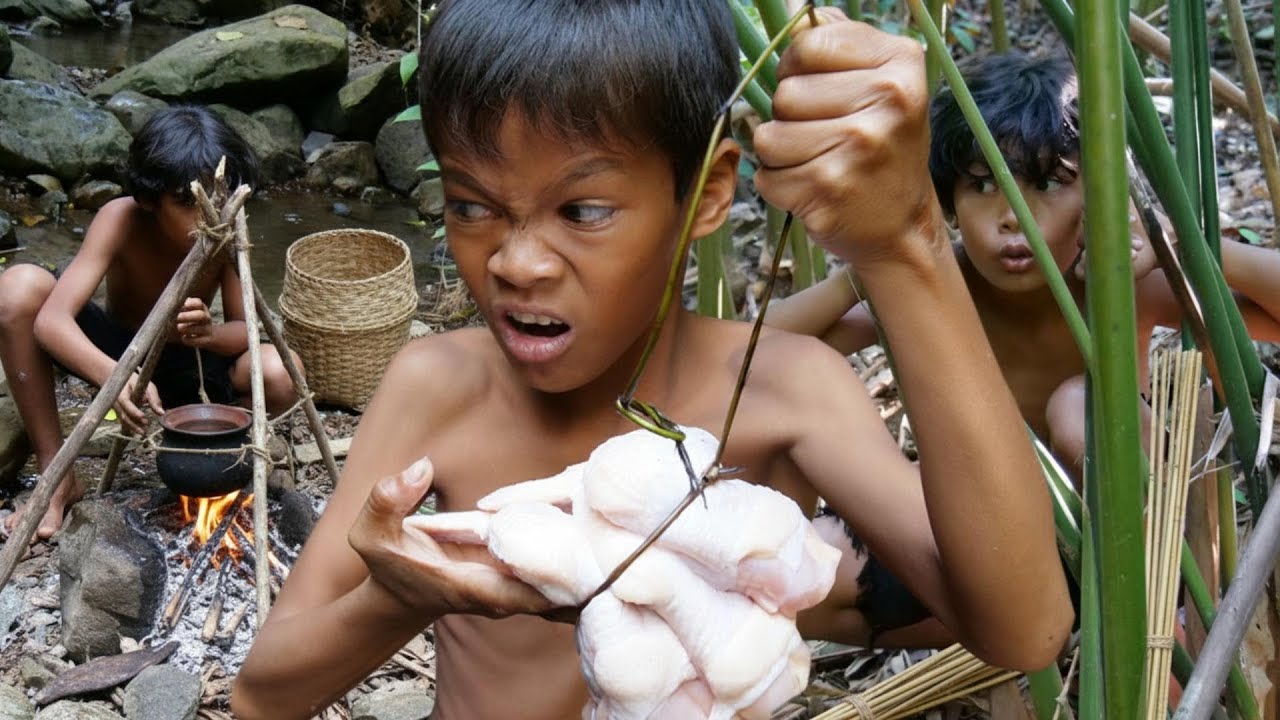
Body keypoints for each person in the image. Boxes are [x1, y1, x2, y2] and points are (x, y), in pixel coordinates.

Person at [231, 4, 1073, 719]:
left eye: (583, 210)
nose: (517, 262)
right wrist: (401, 594)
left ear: (708, 193)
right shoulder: (438, 387)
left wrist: (904, 242)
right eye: (471, 205)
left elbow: (1025, 628)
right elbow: (262, 697)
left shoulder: (783, 391)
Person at [766, 51, 1280, 475]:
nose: (1014, 216)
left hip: (1132, 544)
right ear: (947, 203)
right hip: (984, 534)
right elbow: (754, 355)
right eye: (983, 185)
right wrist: (869, 268)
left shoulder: (1117, 284)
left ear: (1095, 198)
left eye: (1049, 183)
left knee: (1077, 407)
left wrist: (1177, 243)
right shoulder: (938, 288)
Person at [0, 105, 301, 541]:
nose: (208, 214)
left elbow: (246, 330)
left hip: (192, 365)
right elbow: (51, 322)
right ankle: (57, 476)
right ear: (149, 199)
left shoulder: (227, 228)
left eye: (218, 196)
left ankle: (223, 453)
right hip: (121, 355)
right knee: (18, 288)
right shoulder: (120, 218)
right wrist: (114, 376)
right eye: (187, 202)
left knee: (281, 368)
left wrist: (210, 334)